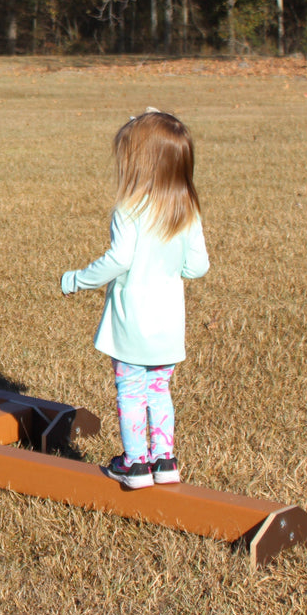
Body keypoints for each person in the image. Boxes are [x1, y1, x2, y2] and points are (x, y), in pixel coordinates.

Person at [61, 109, 209, 489]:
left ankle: (135, 464)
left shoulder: (129, 210)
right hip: (168, 326)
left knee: (130, 390)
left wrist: (77, 279)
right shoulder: (187, 210)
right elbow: (197, 267)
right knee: (159, 390)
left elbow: (118, 260)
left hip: (132, 324)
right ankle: (165, 460)